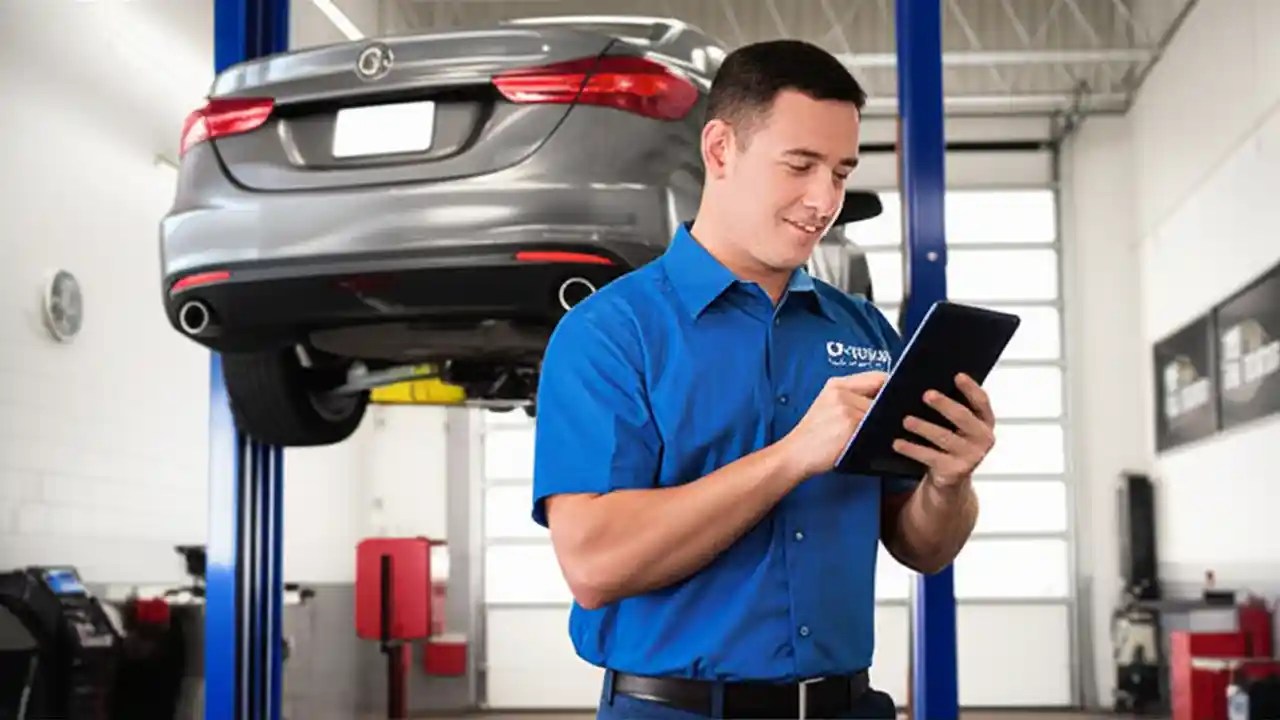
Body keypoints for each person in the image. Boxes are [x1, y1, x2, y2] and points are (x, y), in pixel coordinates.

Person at [530, 39, 996, 720]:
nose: (824, 199)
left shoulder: (864, 333)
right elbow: (596, 565)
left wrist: (950, 483)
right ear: (720, 150)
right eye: (800, 165)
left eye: (840, 171)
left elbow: (922, 547)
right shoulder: (610, 334)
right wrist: (792, 457)